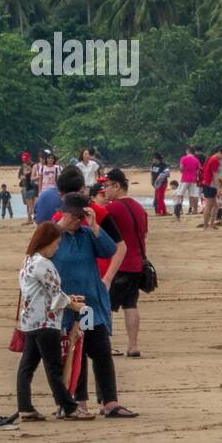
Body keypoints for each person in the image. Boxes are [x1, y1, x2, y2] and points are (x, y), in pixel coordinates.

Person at [51, 193, 137, 417]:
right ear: (65, 212)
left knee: (100, 350)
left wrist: (95, 226)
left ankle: (109, 401)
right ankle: (78, 401)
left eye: (82, 215)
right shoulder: (52, 233)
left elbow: (110, 250)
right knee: (74, 350)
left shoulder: (88, 234)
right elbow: (35, 255)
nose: (78, 219)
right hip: (66, 306)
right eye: (75, 215)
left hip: (89, 305)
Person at [15, 222, 93, 420]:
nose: (57, 248)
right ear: (47, 242)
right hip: (45, 322)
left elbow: (47, 292)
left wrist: (67, 299)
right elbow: (55, 295)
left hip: (29, 321)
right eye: (56, 244)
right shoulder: (43, 263)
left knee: (27, 367)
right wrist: (73, 304)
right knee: (53, 368)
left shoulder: (27, 261)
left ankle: (25, 407)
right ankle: (69, 407)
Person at [104, 168, 148, 358]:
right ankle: (133, 345)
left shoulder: (112, 208)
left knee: (106, 305)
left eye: (107, 186)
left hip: (119, 264)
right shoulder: (139, 208)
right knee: (130, 304)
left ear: (117, 186)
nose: (105, 190)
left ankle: (104, 344)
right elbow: (144, 234)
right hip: (137, 263)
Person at [201, 146, 222, 229]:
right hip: (210, 185)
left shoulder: (210, 158)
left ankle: (211, 224)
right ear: (218, 152)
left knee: (215, 206)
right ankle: (206, 225)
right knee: (209, 206)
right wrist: (218, 189)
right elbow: (215, 176)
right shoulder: (215, 160)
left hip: (207, 184)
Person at [175, 146, 201, 215]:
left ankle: (179, 209)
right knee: (193, 195)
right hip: (194, 179)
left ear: (188, 151)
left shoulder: (183, 158)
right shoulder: (196, 160)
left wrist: (183, 172)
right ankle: (193, 209)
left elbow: (181, 168)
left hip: (185, 178)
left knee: (180, 194)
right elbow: (198, 170)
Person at [18, 152, 37, 224]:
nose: (25, 161)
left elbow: (36, 173)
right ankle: (30, 218)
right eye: (24, 159)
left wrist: (29, 168)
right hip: (25, 186)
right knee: (28, 204)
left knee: (32, 204)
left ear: (29, 158)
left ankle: (30, 219)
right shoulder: (23, 165)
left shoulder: (34, 165)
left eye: (26, 159)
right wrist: (22, 177)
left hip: (32, 186)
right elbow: (20, 175)